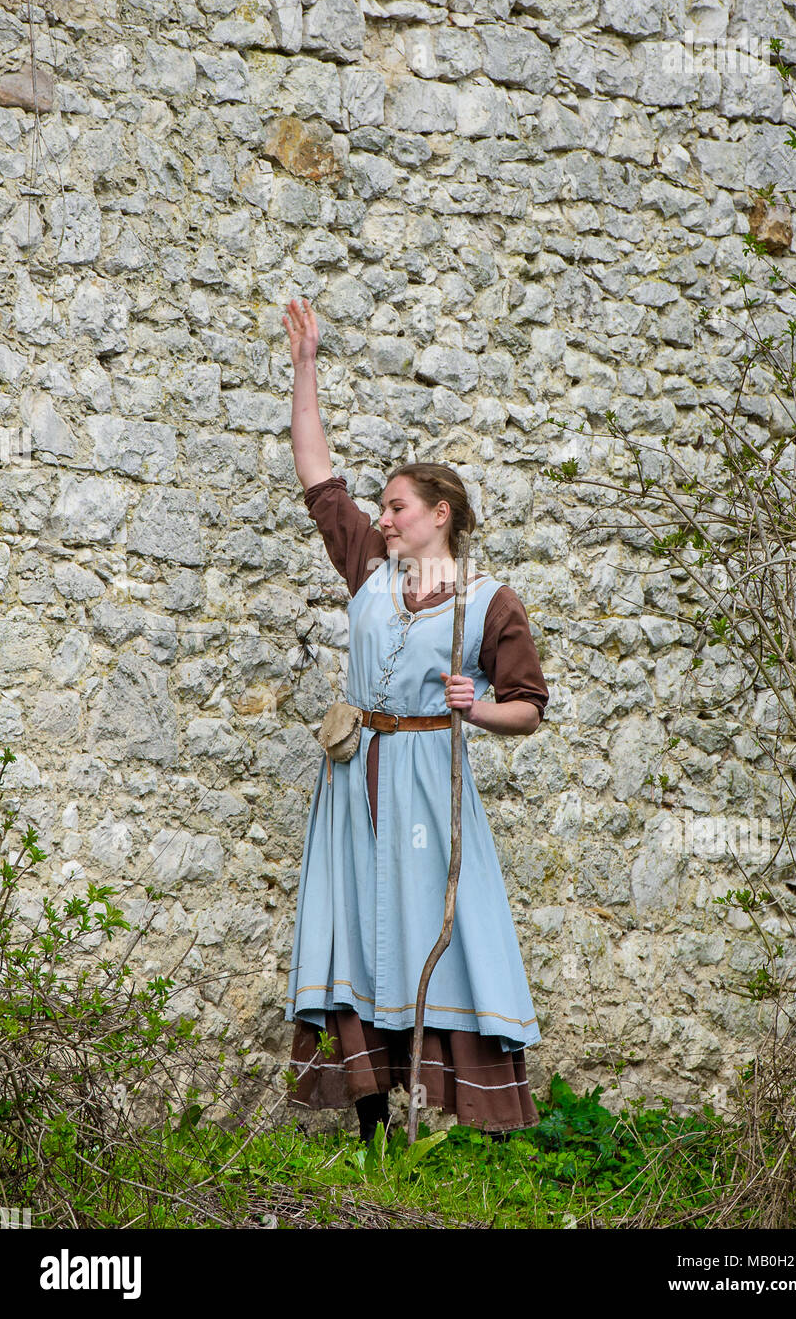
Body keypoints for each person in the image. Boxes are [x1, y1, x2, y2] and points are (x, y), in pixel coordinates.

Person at [282, 297, 549, 1142]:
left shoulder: (487, 603)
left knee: (439, 926)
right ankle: (369, 1125)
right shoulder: (366, 569)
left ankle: (452, 1116)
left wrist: (481, 708)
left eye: (398, 506)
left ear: (440, 515)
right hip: (352, 782)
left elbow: (529, 710)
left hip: (430, 787)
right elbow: (317, 473)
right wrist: (305, 368)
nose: (384, 517)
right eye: (383, 507)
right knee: (354, 931)